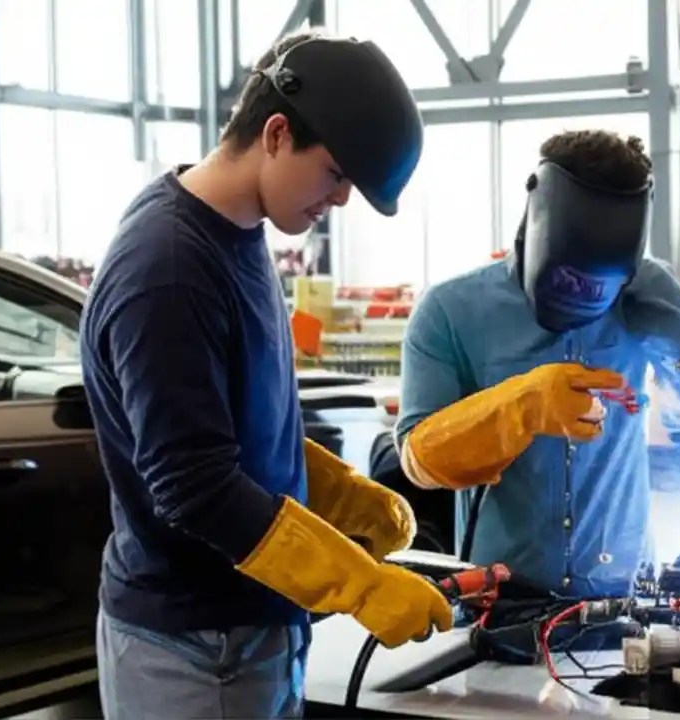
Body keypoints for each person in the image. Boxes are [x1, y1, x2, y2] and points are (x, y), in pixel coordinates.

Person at [79, 32, 452, 719]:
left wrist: (334, 495)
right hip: (196, 647)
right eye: (336, 174)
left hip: (248, 630)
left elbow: (232, 422)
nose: (340, 201)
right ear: (277, 133)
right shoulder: (167, 266)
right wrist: (358, 584)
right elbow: (194, 488)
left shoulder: (237, 229)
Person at [396, 130, 680, 598]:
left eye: (599, 283)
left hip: (627, 599)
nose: (585, 294)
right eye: (572, 278)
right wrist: (521, 406)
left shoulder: (645, 290)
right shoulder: (449, 309)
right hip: (503, 600)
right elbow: (419, 463)